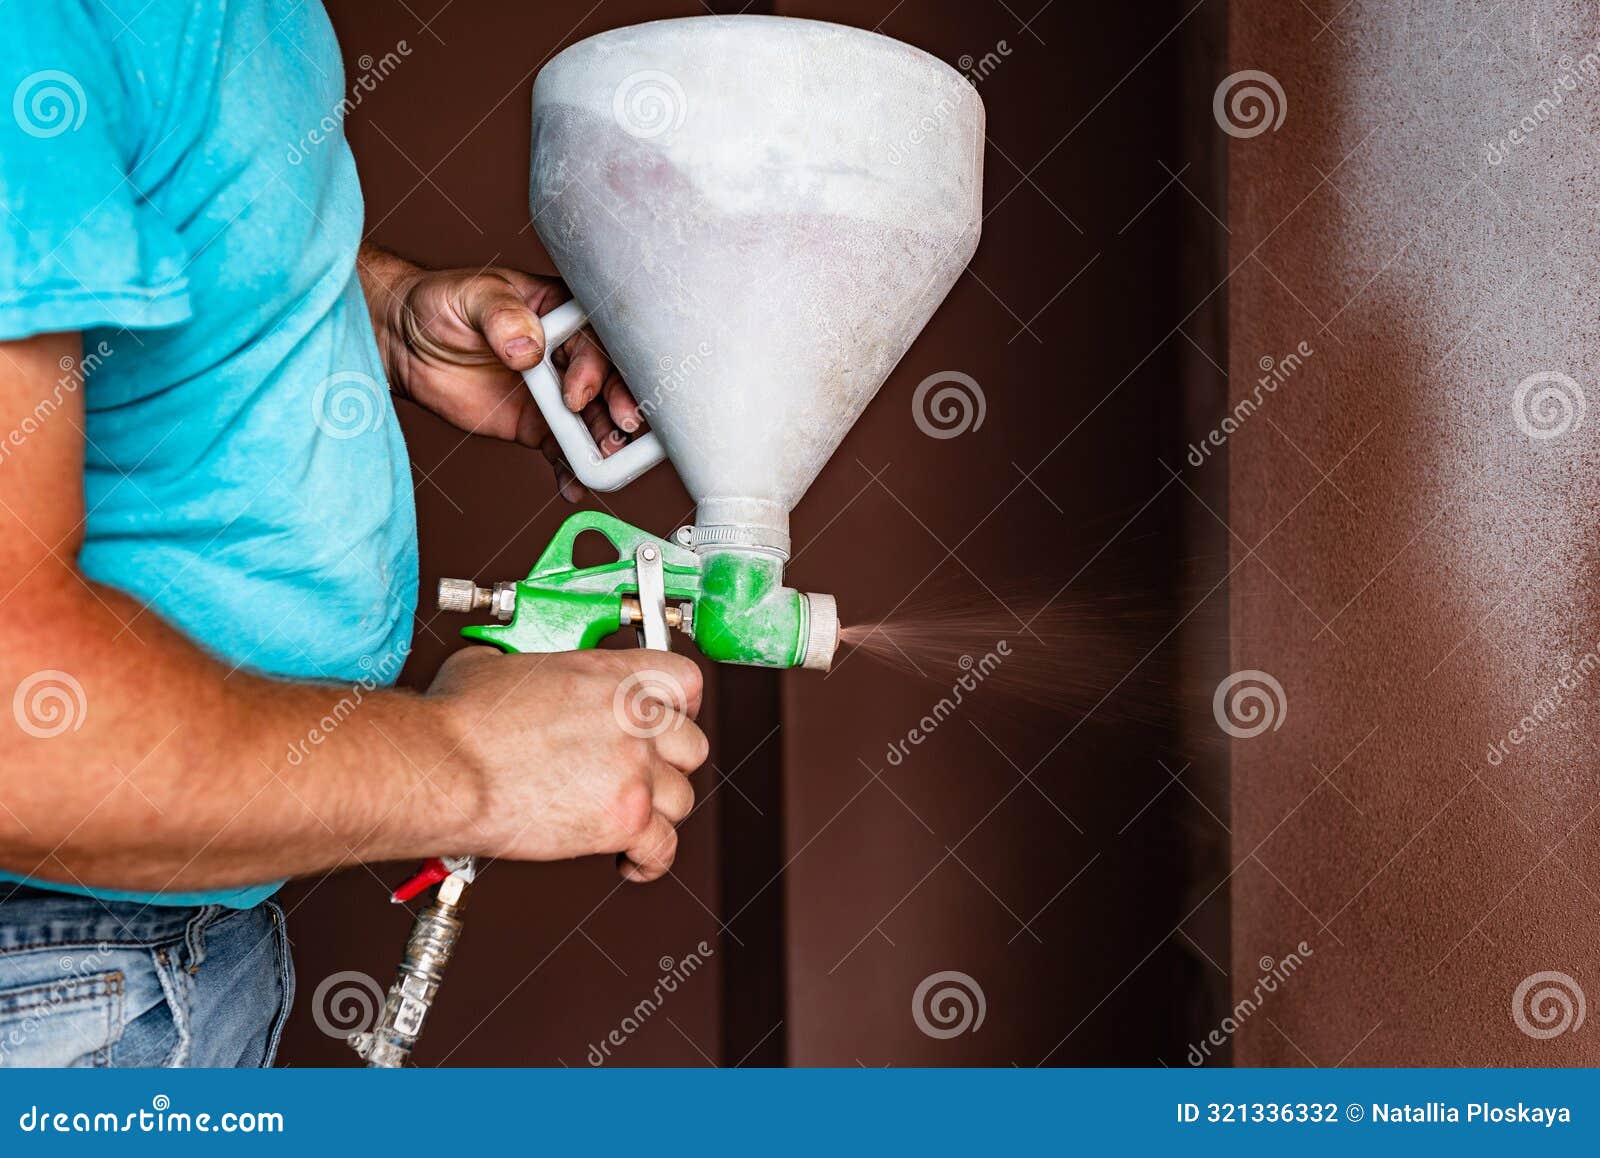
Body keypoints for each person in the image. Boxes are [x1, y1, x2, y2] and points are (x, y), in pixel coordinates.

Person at [0, 0, 705, 1067]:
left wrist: (378, 312)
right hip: (53, 970)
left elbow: (154, 194)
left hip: (193, 933)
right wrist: (471, 765)